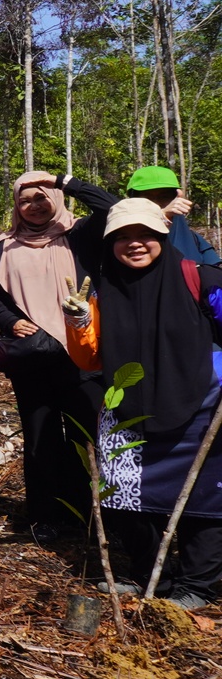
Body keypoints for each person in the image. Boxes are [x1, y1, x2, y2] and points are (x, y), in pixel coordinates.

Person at [62, 198, 222, 609]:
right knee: (125, 497)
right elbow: (90, 358)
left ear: (163, 237)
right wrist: (79, 322)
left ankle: (196, 587)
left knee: (203, 498)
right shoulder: (103, 286)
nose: (135, 244)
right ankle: (150, 576)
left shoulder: (200, 278)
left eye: (145, 235)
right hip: (126, 407)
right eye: (123, 237)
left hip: (199, 404)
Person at [0, 172, 116, 542]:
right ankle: (46, 516)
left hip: (84, 352)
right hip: (35, 357)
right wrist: (11, 321)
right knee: (41, 439)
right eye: (25, 200)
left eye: (42, 197)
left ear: (56, 198)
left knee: (87, 436)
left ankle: (91, 515)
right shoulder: (3, 247)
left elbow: (114, 207)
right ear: (16, 207)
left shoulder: (81, 234)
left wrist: (67, 180)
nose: (35, 206)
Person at [125, 165, 221, 265]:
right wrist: (162, 217)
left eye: (164, 197)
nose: (156, 203)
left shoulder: (193, 238)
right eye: (148, 198)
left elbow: (214, 272)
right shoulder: (121, 239)